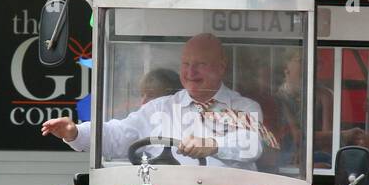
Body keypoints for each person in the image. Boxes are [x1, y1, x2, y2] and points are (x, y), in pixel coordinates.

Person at [41, 33, 268, 168]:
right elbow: (119, 134)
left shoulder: (243, 107)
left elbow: (251, 144)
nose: (191, 72)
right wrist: (75, 132)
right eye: (186, 64)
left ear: (221, 68)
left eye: (200, 64)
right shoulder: (161, 107)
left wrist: (213, 145)